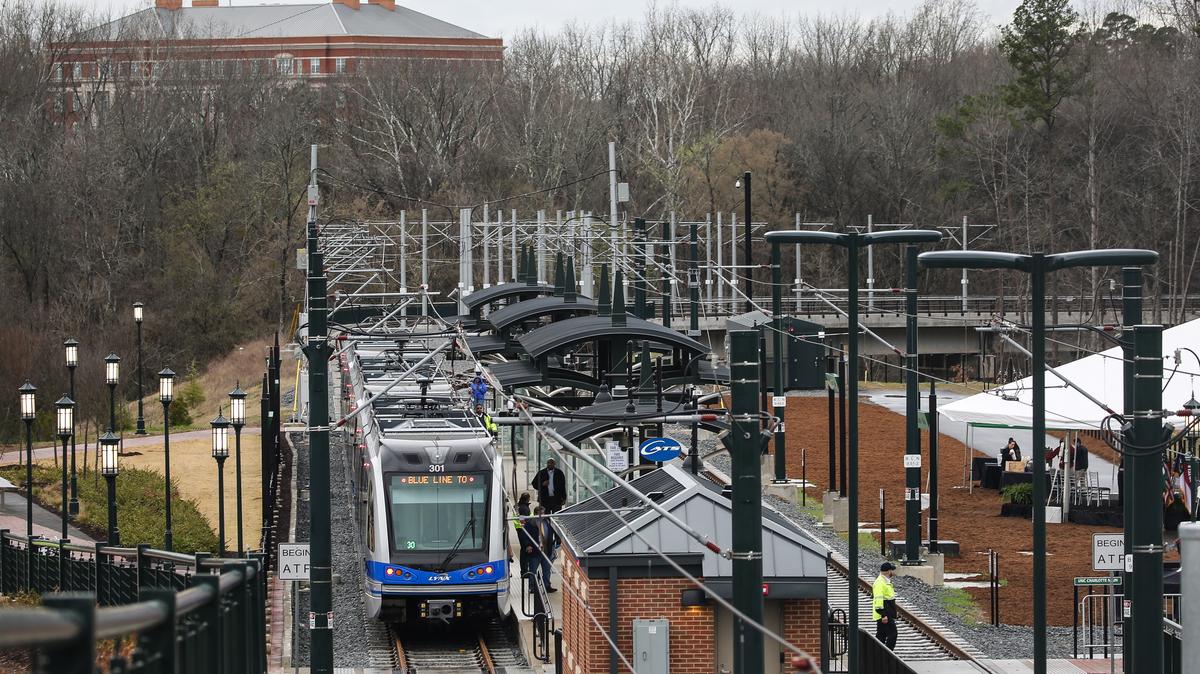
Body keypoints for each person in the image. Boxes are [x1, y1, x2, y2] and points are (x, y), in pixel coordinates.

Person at [528, 505, 557, 592]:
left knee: (547, 570)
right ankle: (532, 587)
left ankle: (547, 586)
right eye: (541, 513)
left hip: (546, 550)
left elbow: (551, 533)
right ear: (536, 514)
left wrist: (553, 544)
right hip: (535, 550)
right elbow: (525, 536)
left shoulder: (547, 522)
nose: (543, 515)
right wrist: (527, 545)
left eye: (544, 513)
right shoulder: (531, 523)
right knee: (533, 570)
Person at [873, 562, 898, 650]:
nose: (893, 572)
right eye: (892, 570)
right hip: (884, 615)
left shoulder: (884, 581)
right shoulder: (880, 582)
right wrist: (883, 615)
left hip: (885, 614)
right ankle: (888, 655)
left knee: (881, 637)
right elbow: (879, 600)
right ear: (888, 571)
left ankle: (877, 656)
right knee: (893, 634)